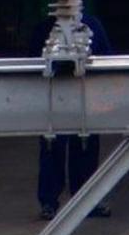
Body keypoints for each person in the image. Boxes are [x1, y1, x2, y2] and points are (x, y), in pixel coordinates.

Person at [30, 14, 114, 220]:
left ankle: (84, 199)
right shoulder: (45, 29)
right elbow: (32, 62)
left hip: (84, 94)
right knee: (52, 146)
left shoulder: (92, 26)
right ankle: (49, 201)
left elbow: (106, 59)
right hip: (54, 97)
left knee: (85, 146)